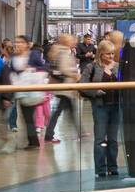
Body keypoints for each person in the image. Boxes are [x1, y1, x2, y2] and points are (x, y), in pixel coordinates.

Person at [80, 41, 123, 177]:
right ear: (100, 54)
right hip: (100, 107)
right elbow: (82, 85)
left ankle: (113, 167)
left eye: (112, 53)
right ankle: (100, 169)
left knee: (113, 139)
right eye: (107, 54)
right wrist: (95, 92)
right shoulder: (91, 67)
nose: (111, 56)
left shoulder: (118, 67)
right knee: (99, 139)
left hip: (116, 107)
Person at [44, 33, 81, 143]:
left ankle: (80, 132)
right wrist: (75, 74)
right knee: (59, 112)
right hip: (65, 87)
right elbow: (65, 69)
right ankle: (48, 135)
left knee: (67, 111)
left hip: (63, 87)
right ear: (66, 42)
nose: (74, 41)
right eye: (71, 40)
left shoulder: (59, 51)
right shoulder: (64, 53)